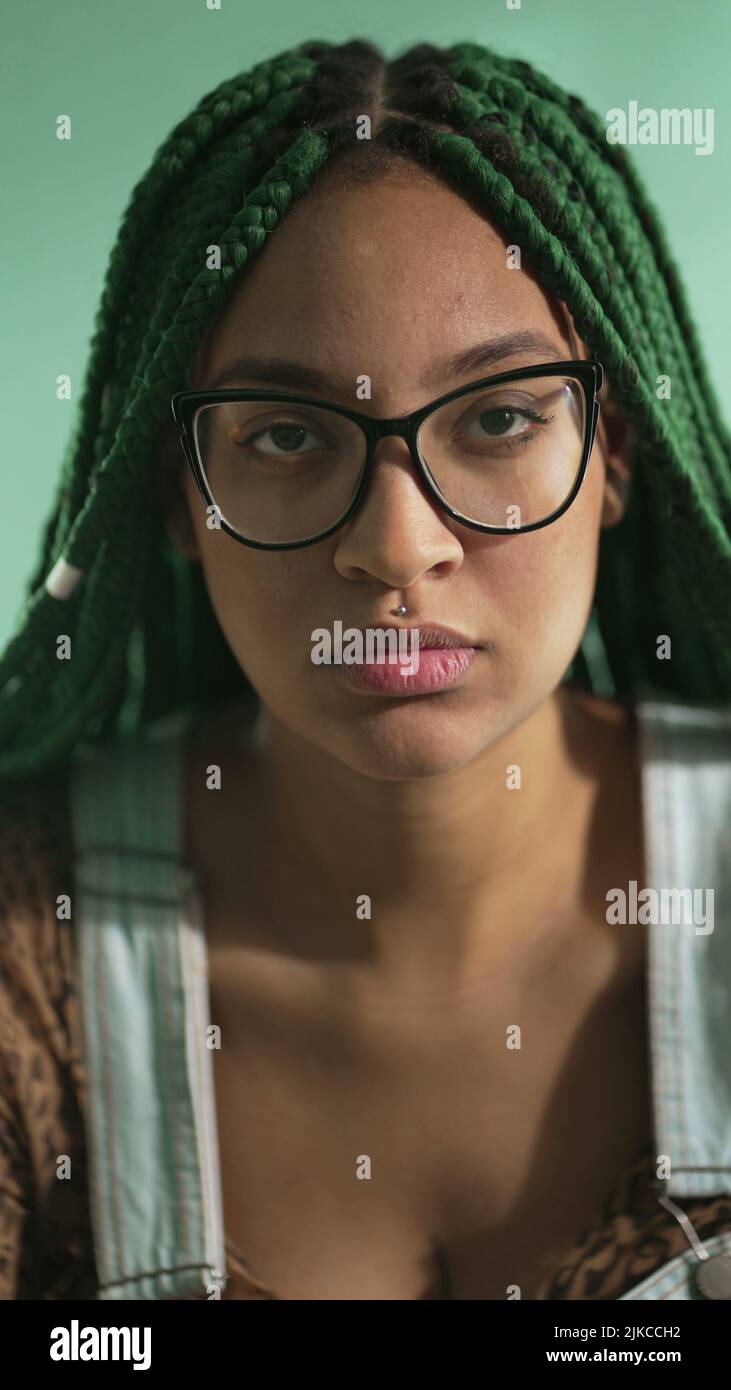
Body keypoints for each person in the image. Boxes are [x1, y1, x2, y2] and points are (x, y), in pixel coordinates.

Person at [1, 37, 730, 1303]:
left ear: (609, 448)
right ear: (180, 495)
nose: (393, 546)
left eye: (498, 416)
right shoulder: (27, 960)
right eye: (285, 434)